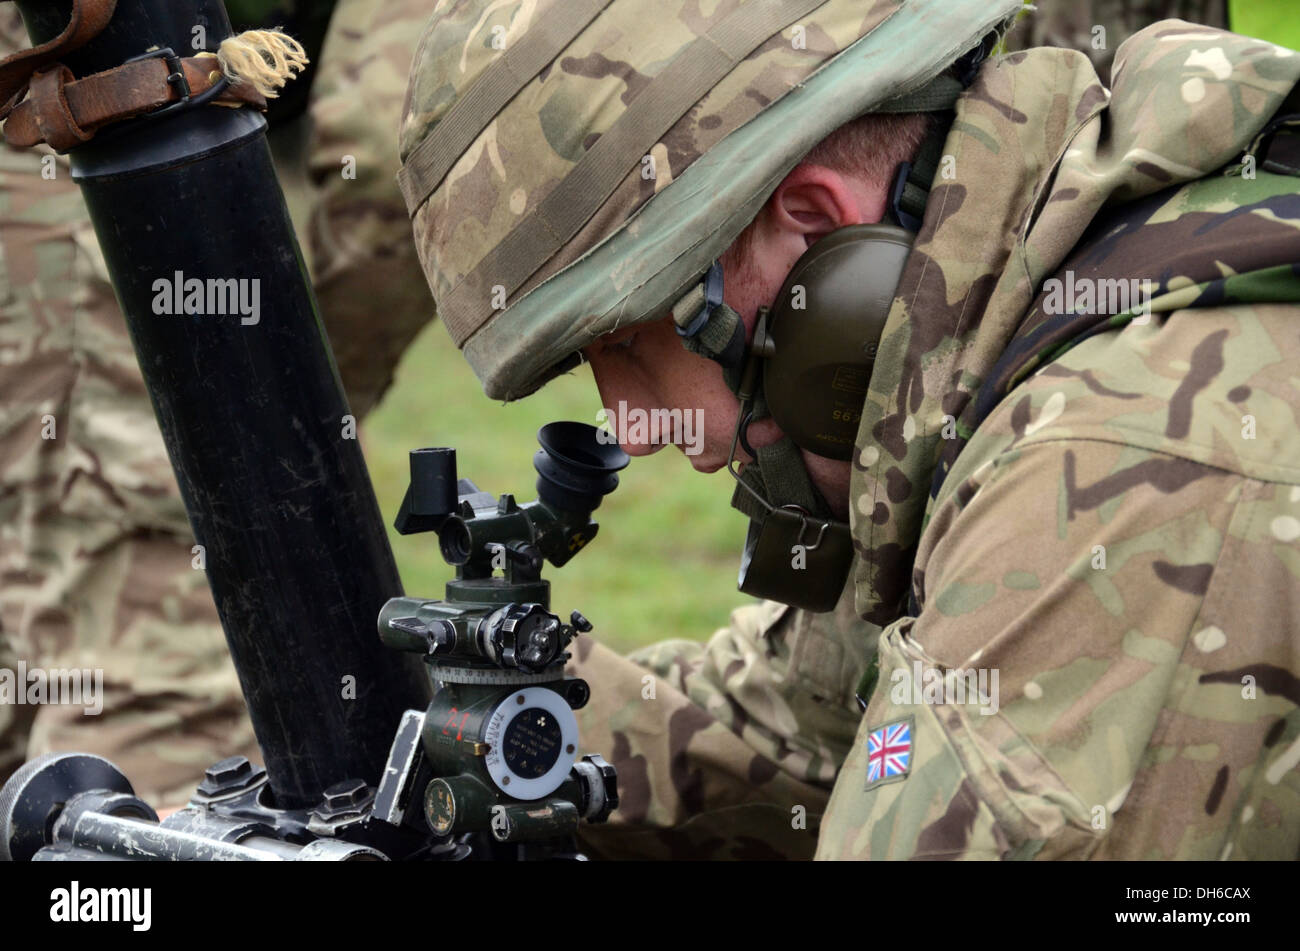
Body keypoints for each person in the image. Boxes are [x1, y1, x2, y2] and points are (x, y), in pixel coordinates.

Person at [398, 0, 1300, 859]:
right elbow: (804, 726)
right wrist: (408, 715)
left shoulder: (1123, 461)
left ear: (817, 234)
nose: (631, 426)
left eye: (627, 345)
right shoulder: (1023, 314)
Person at [0, 0, 431, 806]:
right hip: (141, 452)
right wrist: (285, 393)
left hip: (102, 337)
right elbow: (383, 145)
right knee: (138, 802)